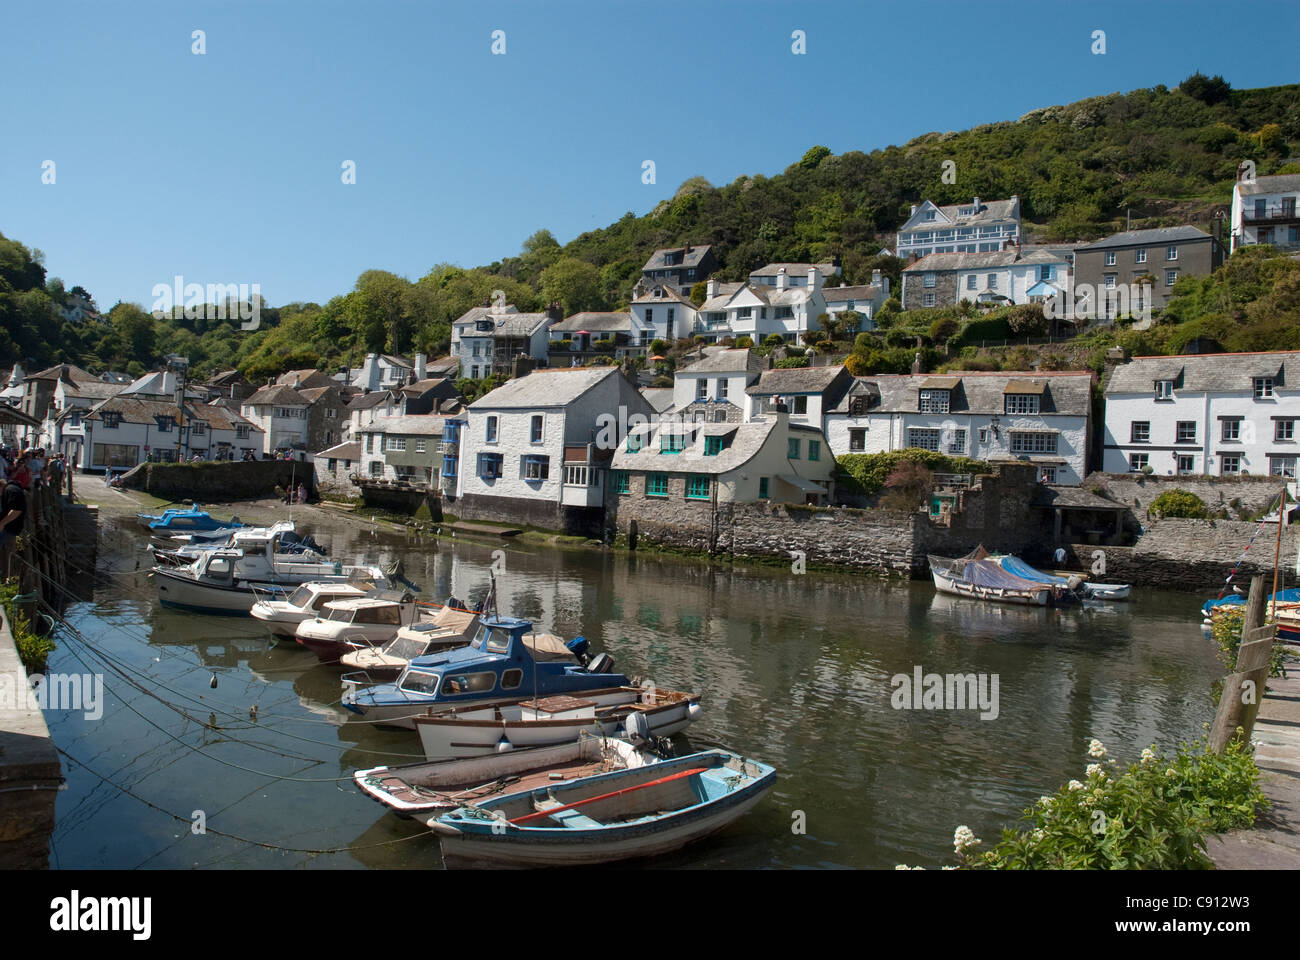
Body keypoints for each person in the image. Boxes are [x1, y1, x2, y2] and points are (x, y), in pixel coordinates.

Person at [0, 471, 26, 576]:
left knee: (6, 553)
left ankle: (5, 575)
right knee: (6, 553)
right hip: (10, 527)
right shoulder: (10, 490)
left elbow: (16, 509)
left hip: (10, 528)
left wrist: (2, 523)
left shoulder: (11, 491)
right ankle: (6, 574)